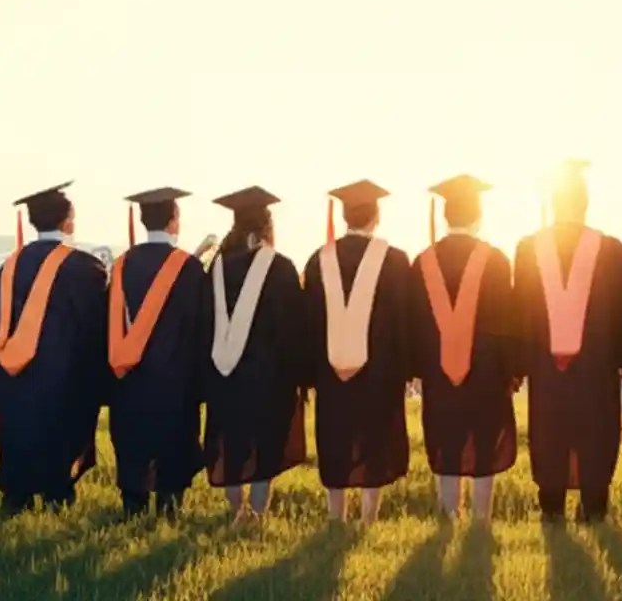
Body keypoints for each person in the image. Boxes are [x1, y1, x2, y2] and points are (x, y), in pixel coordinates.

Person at [0, 182, 109, 514]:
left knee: (19, 432)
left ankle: (16, 497)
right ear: (68, 221)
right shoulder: (83, 268)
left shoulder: (9, 267)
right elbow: (96, 329)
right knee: (61, 438)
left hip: (14, 378)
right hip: (64, 381)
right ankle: (58, 496)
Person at [514, 160, 622, 523]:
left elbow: (521, 311)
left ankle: (551, 510)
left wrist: (519, 366)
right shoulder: (613, 249)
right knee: (596, 431)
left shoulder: (528, 247)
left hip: (546, 366)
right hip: (597, 366)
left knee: (550, 431)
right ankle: (594, 509)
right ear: (586, 203)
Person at [410, 174, 519, 521]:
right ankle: (481, 518)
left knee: (446, 437)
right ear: (478, 216)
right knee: (484, 441)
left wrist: (418, 369)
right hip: (486, 370)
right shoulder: (496, 260)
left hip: (438, 369)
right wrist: (511, 371)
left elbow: (414, 321)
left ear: (446, 216)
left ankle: (448, 513)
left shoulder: (423, 261)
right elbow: (506, 320)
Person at [302, 180, 412, 523]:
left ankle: (336, 514)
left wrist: (309, 372)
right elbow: (402, 318)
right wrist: (405, 369)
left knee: (334, 433)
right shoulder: (394, 260)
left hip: (330, 369)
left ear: (345, 215)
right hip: (379, 371)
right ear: (376, 216)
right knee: (374, 435)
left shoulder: (319, 259)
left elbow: (309, 320)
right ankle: (368, 515)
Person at [201, 186, 307, 522]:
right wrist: (298, 375)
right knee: (266, 441)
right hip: (268, 376)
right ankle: (257, 512)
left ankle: (236, 509)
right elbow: (292, 328)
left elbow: (205, 322)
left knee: (232, 441)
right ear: (266, 225)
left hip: (224, 373)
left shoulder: (216, 267)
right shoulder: (281, 268)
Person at [107, 187, 206, 520]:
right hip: (174, 377)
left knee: (132, 439)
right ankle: (169, 508)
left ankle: (132, 507)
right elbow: (198, 324)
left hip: (128, 378)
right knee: (174, 443)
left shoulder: (122, 265)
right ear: (174, 220)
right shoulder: (188, 267)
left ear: (141, 219)